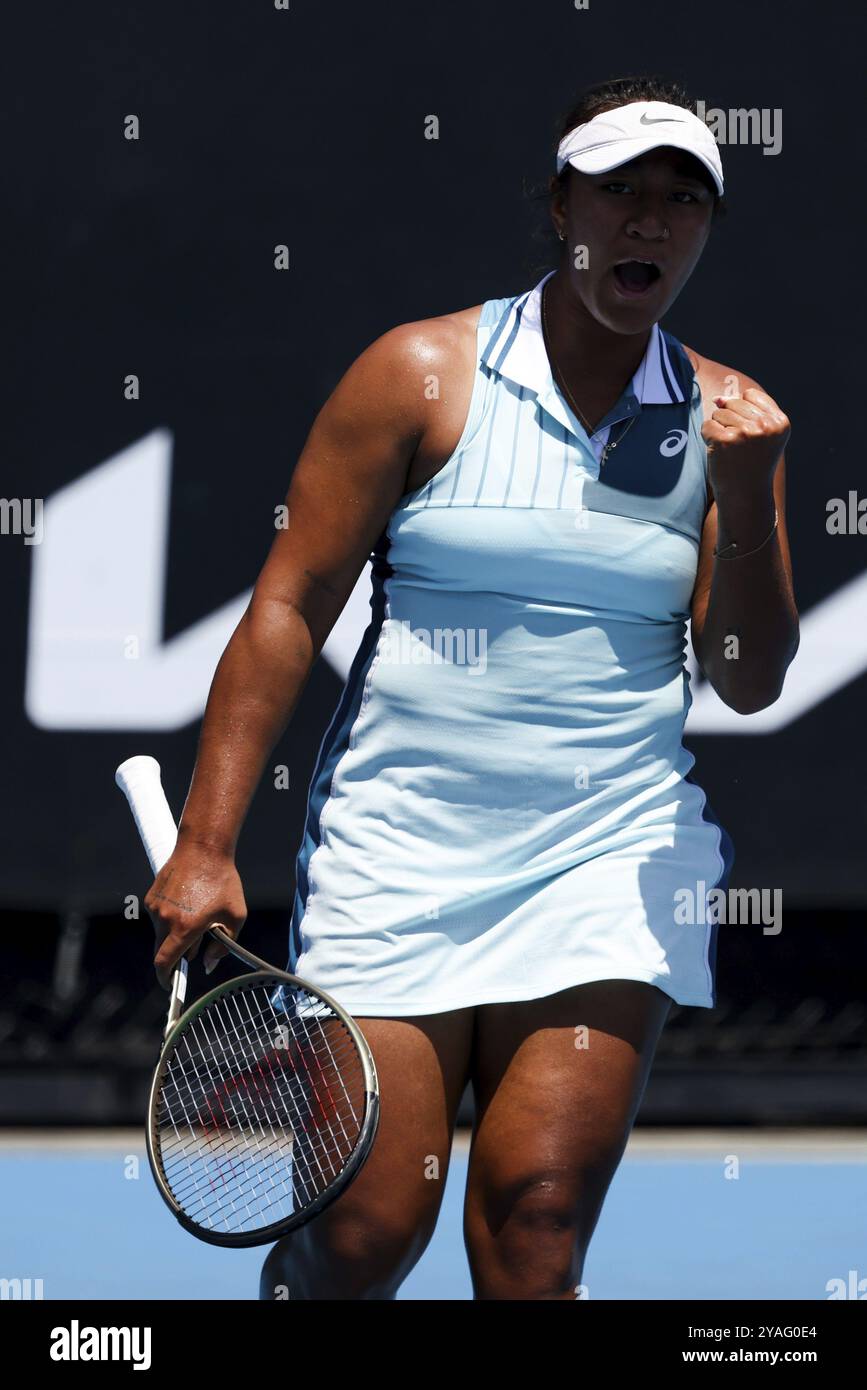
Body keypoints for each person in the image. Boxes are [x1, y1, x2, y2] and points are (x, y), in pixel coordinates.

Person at [144, 74, 799, 1300]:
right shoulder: (418, 374)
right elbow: (290, 604)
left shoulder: (725, 420)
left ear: (707, 228)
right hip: (398, 850)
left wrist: (750, 495)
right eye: (619, 189)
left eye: (681, 200)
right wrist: (207, 839)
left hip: (608, 858)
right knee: (363, 1234)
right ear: (561, 207)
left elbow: (748, 680)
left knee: (536, 1225)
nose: (649, 220)